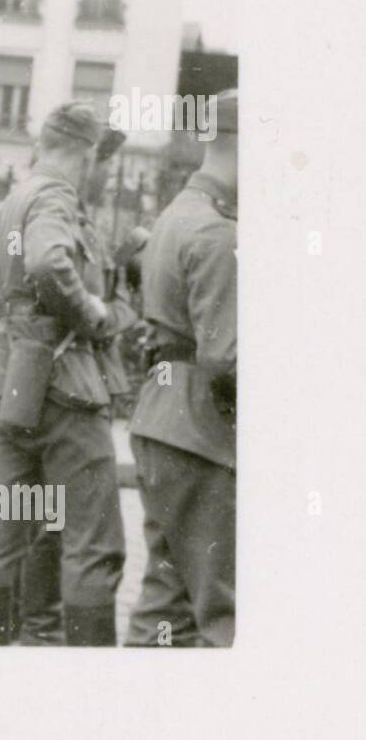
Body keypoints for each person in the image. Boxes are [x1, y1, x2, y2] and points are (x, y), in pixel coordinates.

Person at [0, 102, 126, 646]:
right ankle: (92, 690)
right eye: (100, 157)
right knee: (93, 540)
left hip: (16, 385)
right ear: (84, 152)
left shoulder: (11, 201)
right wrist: (92, 312)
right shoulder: (57, 196)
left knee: (6, 523)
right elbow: (46, 264)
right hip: (66, 384)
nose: (101, 170)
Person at [124, 90, 238, 648]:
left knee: (164, 605)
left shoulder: (176, 214)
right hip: (203, 433)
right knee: (226, 613)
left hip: (160, 421)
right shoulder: (220, 233)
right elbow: (229, 358)